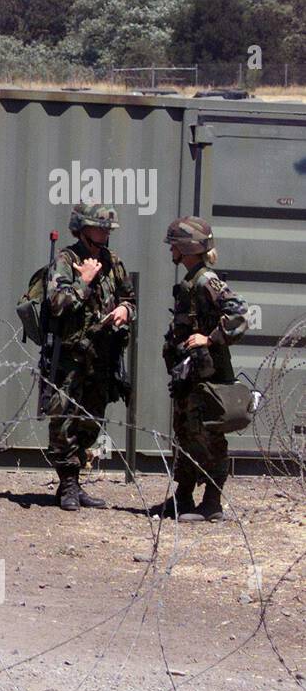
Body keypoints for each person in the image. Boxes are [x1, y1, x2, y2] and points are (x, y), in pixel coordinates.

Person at [154, 217, 248, 521]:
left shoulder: (207, 280)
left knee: (208, 434)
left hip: (208, 375)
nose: (171, 251)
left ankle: (212, 502)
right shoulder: (191, 280)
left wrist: (210, 338)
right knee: (186, 431)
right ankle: (183, 497)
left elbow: (239, 314)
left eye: (174, 246)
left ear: (187, 248)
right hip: (190, 373)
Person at [44, 201, 135, 511]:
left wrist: (124, 310)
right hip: (71, 356)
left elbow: (129, 298)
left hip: (102, 355)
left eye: (108, 229)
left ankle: (76, 480)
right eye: (100, 228)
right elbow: (56, 303)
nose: (106, 234)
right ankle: (67, 483)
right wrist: (83, 281)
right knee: (64, 420)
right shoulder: (66, 260)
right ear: (82, 229)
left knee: (91, 420)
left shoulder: (113, 262)